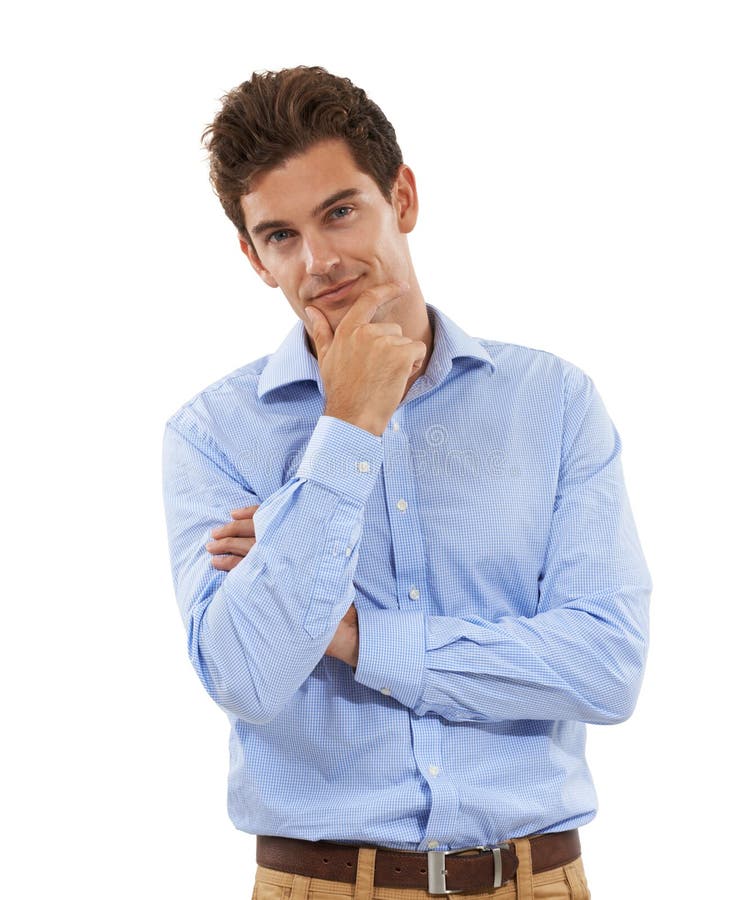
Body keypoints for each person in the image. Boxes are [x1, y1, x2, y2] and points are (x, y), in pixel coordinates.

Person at [162, 65, 651, 900]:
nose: (319, 260)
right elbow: (247, 676)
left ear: (403, 197)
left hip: (536, 881)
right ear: (254, 257)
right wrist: (347, 427)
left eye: (340, 212)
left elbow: (604, 667)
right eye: (280, 235)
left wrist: (357, 635)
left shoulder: (554, 402)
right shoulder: (213, 434)